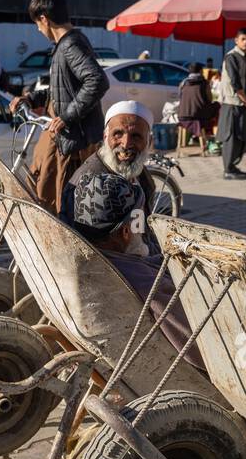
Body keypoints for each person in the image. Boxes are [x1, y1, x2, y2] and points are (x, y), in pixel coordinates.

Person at [62, 172, 201, 369]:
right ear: (126, 232)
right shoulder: (147, 285)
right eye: (138, 219)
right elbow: (198, 347)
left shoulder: (91, 262)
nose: (141, 226)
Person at [9, 0, 110, 214]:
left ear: (44, 18)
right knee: (46, 189)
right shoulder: (66, 44)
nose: (38, 29)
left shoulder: (70, 45)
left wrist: (66, 117)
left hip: (76, 141)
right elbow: (62, 90)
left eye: (37, 23)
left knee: (67, 206)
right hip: (65, 136)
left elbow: (98, 81)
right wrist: (30, 98)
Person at [62, 100, 159, 256]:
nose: (126, 144)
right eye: (118, 134)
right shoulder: (89, 180)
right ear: (105, 136)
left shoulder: (141, 174)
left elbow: (142, 228)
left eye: (136, 136)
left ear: (148, 142)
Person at [217, 28, 246, 180]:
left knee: (241, 137)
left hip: (242, 103)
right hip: (232, 103)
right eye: (243, 39)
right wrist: (245, 99)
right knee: (231, 137)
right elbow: (235, 81)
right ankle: (228, 169)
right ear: (236, 40)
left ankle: (233, 166)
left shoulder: (244, 57)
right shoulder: (231, 57)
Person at [177, 61, 216, 145]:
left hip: (182, 116)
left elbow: (180, 98)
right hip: (200, 116)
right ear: (200, 71)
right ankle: (213, 138)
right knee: (218, 106)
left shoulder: (183, 83)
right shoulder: (204, 83)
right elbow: (209, 99)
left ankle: (195, 137)